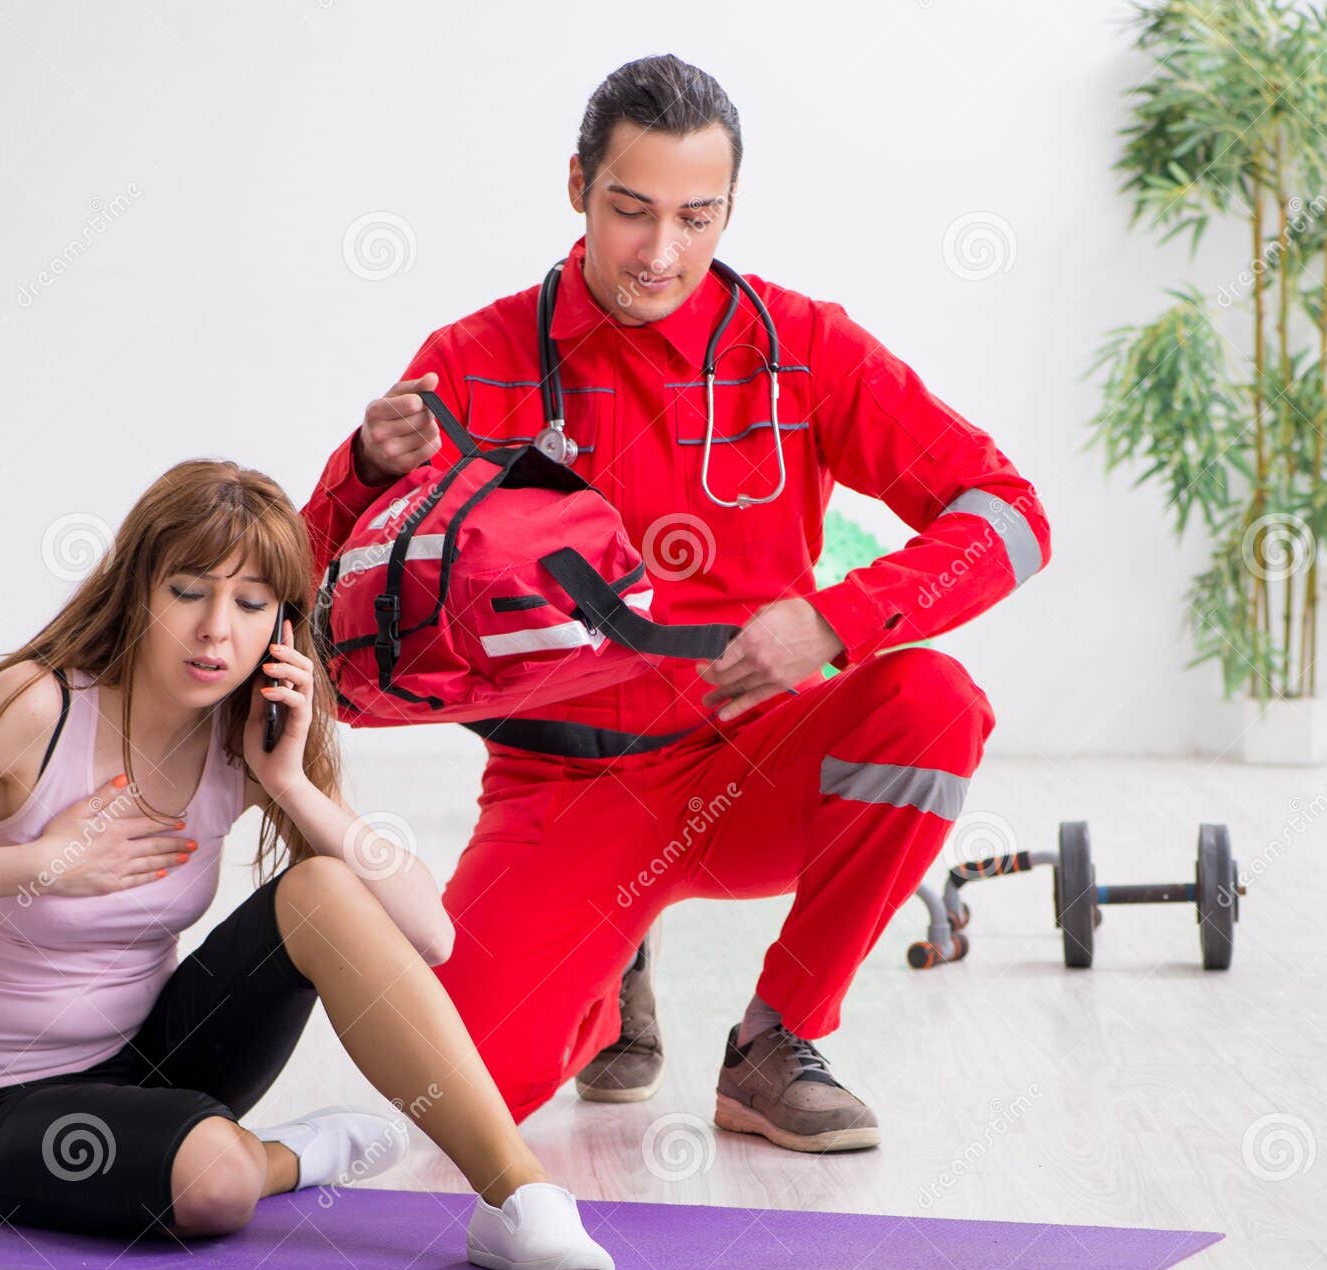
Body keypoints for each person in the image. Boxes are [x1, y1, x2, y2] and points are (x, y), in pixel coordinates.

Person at [304, 55, 1052, 1150]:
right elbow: (320, 581)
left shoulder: (803, 347)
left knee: (930, 700)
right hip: (568, 781)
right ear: (576, 187)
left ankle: (774, 1043)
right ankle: (613, 972)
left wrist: (839, 619)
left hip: (755, 761)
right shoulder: (471, 359)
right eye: (631, 211)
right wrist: (366, 467)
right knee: (458, 1099)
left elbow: (1011, 514)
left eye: (696, 217)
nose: (661, 253)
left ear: (730, 208)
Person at [0, 459, 614, 1270]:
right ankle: (284, 1157)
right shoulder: (34, 708)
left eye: (252, 603)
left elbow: (430, 934)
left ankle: (522, 1200)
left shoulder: (244, 740)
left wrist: (291, 783)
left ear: (281, 629)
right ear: (138, 588)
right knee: (217, 1184)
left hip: (160, 1059)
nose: (217, 629)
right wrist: (44, 865)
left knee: (324, 886)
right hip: (3, 1109)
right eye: (189, 590)